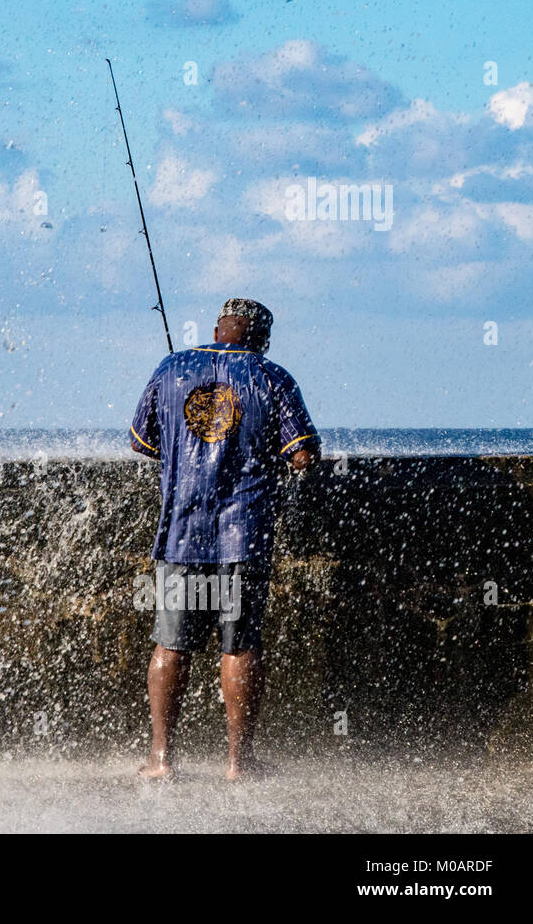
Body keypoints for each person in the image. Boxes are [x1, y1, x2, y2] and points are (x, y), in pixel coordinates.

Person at [129, 298, 319, 781]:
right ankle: (238, 762)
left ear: (217, 328)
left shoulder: (171, 368)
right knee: (239, 646)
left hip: (181, 536)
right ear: (261, 338)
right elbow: (303, 457)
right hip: (244, 537)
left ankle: (161, 760)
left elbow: (141, 441)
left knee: (170, 645)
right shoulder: (272, 377)